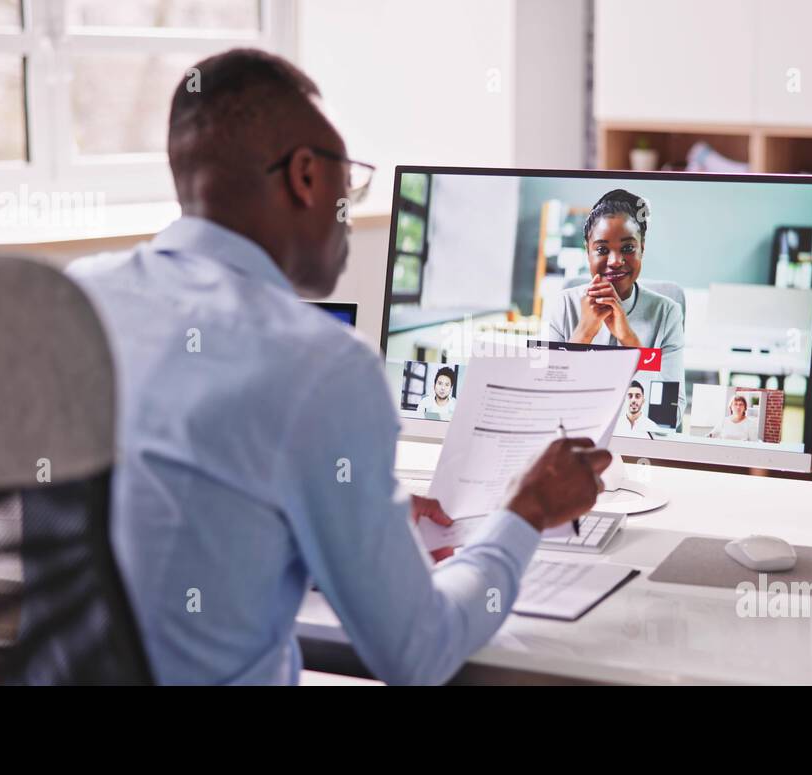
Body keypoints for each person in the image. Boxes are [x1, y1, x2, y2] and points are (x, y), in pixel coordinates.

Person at [66, 48, 611, 685]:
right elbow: (419, 652)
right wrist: (527, 510)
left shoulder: (74, 299)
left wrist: (345, 508)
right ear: (304, 176)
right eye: (348, 179)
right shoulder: (319, 364)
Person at [539, 188, 685, 425]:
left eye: (627, 248)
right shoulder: (564, 305)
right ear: (588, 252)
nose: (616, 261)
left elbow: (671, 417)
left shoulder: (667, 313)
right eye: (602, 250)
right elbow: (541, 404)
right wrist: (583, 332)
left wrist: (628, 338)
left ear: (642, 249)